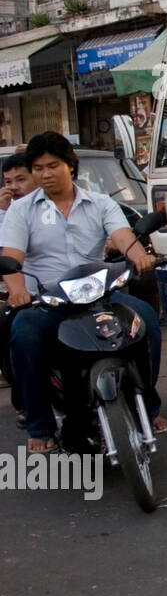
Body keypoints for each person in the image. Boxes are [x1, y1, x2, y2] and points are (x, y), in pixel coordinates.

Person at [0, 132, 167, 454]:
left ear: (71, 167)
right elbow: (13, 258)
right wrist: (18, 292)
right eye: (38, 168)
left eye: (53, 166)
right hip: (48, 300)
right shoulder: (22, 211)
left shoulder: (100, 203)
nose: (45, 174)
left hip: (100, 294)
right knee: (24, 334)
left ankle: (147, 403)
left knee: (145, 319)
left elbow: (122, 237)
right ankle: (40, 424)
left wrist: (139, 257)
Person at [0, 151, 36, 406]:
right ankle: (23, 397)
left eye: (20, 180)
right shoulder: (6, 212)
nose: (13, 188)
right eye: (8, 182)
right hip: (19, 293)